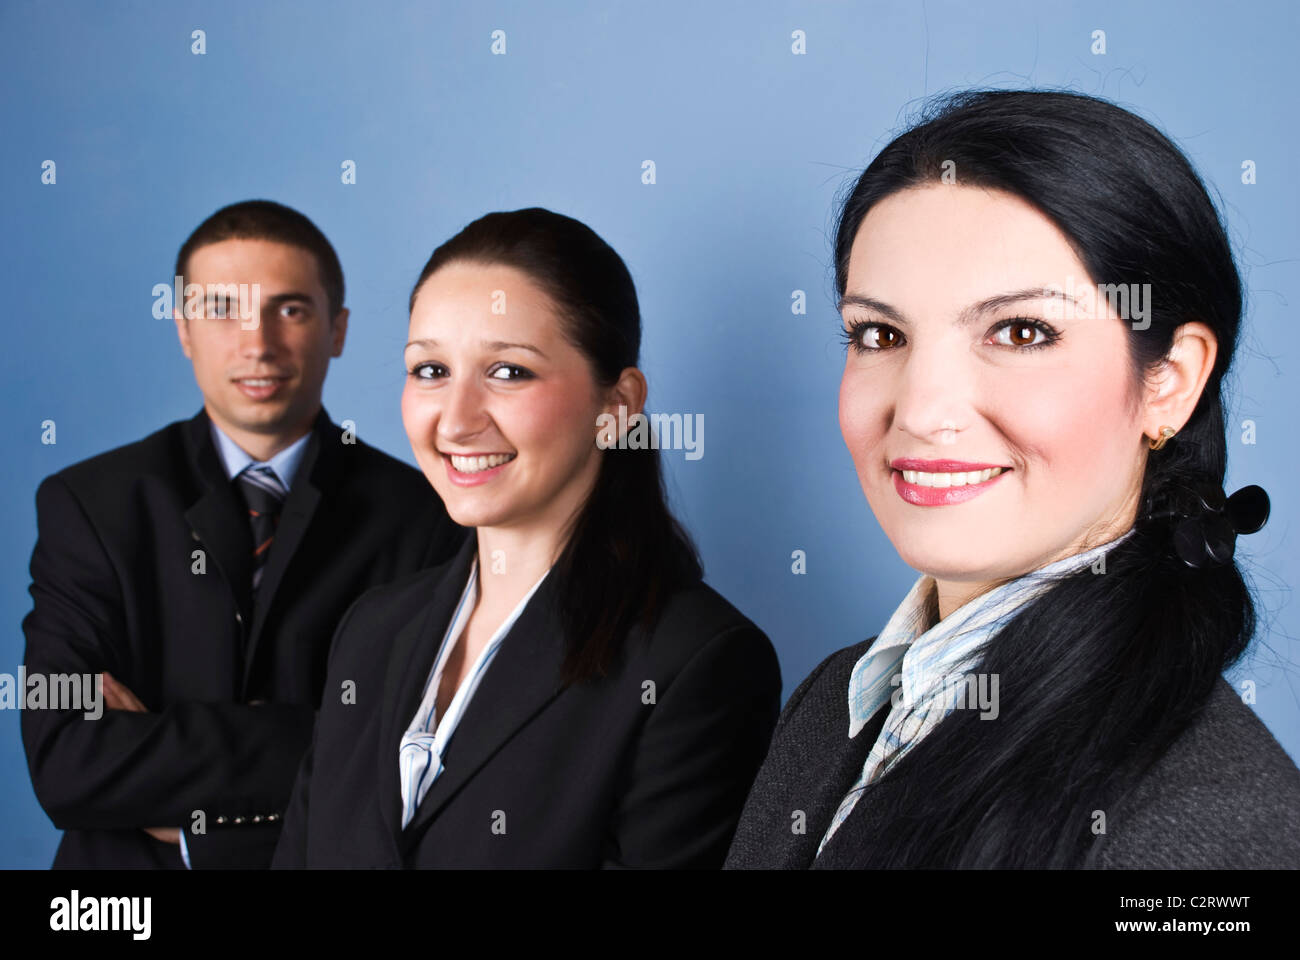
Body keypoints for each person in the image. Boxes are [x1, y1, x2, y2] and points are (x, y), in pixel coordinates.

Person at [725, 90, 1300, 869]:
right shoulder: (837, 701)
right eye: (879, 333)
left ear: (1168, 380)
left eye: (1022, 331)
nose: (923, 412)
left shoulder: (1211, 831)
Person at [272, 207, 781, 868]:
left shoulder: (696, 664)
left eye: (508, 372)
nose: (455, 422)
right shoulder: (373, 631)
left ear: (617, 406)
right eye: (430, 370)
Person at [21, 199, 465, 869]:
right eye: (223, 309)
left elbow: (425, 763)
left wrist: (191, 805)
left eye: (290, 310)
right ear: (183, 329)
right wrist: (323, 734)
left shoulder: (428, 514)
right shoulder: (89, 505)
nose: (257, 344)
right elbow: (66, 763)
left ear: (337, 329)